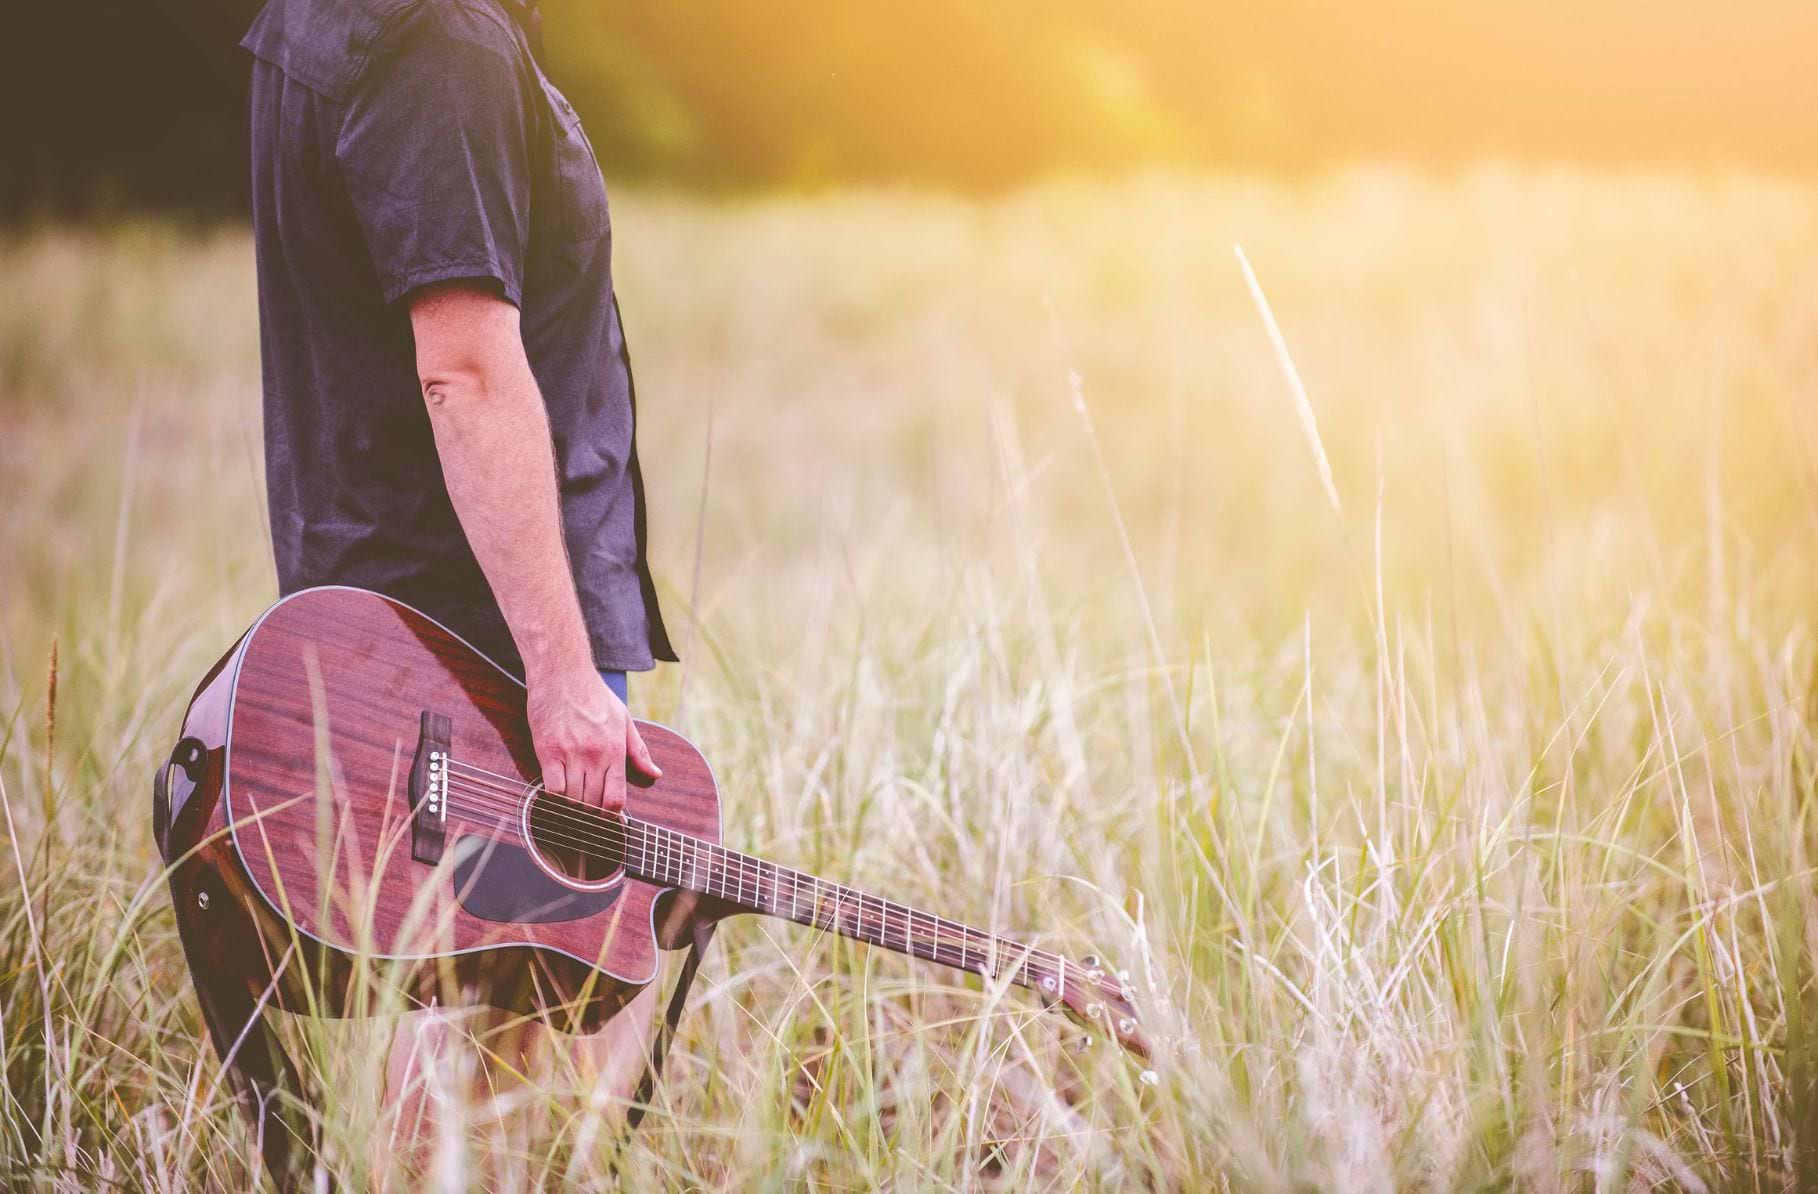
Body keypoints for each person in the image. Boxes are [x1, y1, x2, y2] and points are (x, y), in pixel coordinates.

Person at [238, 0, 677, 1162]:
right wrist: (564, 676)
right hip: (484, 638)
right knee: (551, 1030)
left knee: (433, 1003)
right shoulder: (439, 47)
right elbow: (468, 374)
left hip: (387, 617)